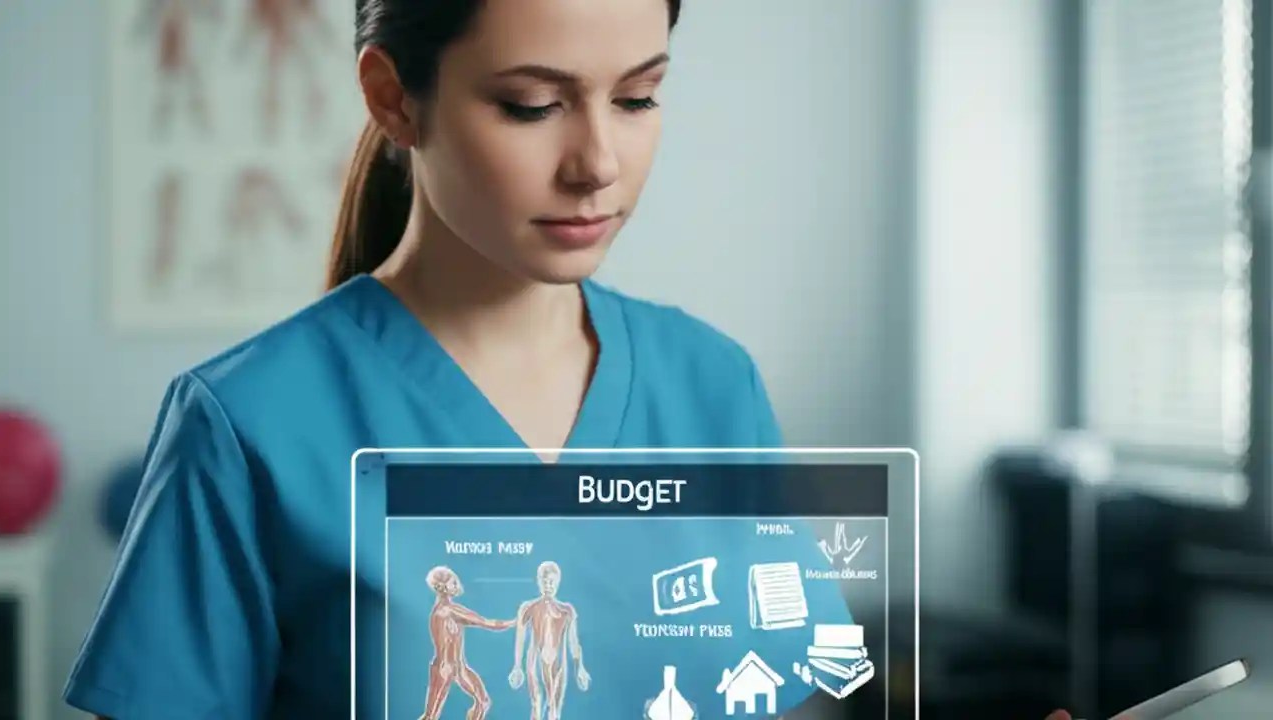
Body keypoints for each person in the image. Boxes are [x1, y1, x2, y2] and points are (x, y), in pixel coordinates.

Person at [62, 0, 1074, 718]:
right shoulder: (247, 428)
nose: (598, 164)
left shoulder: (710, 384)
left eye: (636, 99)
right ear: (392, 99)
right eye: (532, 105)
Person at [418, 567, 514, 720]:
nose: (457, 586)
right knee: (431, 716)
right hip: (445, 668)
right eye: (453, 583)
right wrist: (515, 622)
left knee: (483, 701)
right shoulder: (449, 610)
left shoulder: (445, 610)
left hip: (457, 667)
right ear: (442, 587)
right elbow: (487, 623)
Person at [508, 561, 589, 720]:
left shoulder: (566, 611)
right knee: (537, 704)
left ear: (558, 582)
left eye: (552, 582)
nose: (548, 585)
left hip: (558, 663)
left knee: (555, 711)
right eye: (544, 581)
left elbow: (573, 642)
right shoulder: (528, 607)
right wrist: (517, 666)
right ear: (538, 582)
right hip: (536, 661)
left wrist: (580, 667)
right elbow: (520, 639)